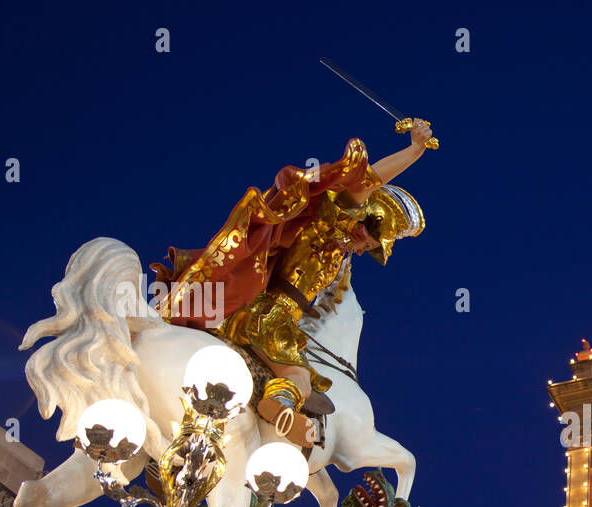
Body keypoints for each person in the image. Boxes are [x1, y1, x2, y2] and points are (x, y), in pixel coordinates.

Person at [153, 122, 433, 446]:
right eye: (370, 244)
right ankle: (283, 408)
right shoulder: (328, 225)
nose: (362, 250)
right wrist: (414, 150)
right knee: (298, 375)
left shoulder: (337, 248)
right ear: (367, 224)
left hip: (266, 313)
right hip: (272, 318)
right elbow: (371, 180)